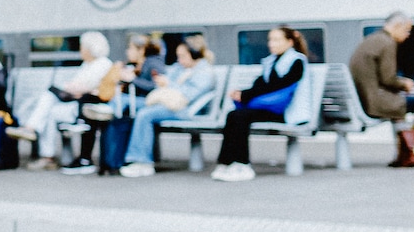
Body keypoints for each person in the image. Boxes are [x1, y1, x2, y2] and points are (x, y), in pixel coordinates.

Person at [212, 25, 308, 183]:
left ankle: (243, 164)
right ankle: (226, 162)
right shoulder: (272, 62)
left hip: (286, 112)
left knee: (241, 116)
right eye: (270, 40)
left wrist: (246, 95)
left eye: (276, 40)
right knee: (234, 115)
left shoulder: (297, 61)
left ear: (290, 42)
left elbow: (278, 85)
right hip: (271, 109)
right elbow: (260, 84)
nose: (271, 44)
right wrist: (242, 93)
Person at [120, 35, 220, 177]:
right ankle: (132, 156)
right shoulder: (180, 68)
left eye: (182, 56)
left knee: (145, 114)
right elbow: (168, 78)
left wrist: (167, 84)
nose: (179, 60)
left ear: (194, 54)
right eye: (178, 56)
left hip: (187, 110)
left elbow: (188, 96)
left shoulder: (205, 73)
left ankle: (142, 161)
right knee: (130, 104)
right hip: (169, 104)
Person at [13, 30, 113, 164]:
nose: (80, 50)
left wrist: (73, 88)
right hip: (76, 102)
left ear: (90, 48)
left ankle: (35, 135)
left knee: (49, 105)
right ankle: (39, 141)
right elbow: (76, 86)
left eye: (82, 46)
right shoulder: (87, 64)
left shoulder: (102, 64)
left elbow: (82, 87)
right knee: (49, 105)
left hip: (85, 106)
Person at [348, 12, 414, 158]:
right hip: (376, 102)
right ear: (396, 26)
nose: (408, 35)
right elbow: (388, 79)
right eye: (407, 30)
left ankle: (405, 152)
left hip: (364, 99)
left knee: (408, 103)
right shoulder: (387, 43)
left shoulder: (371, 40)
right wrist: (405, 83)